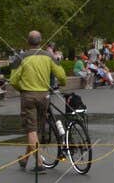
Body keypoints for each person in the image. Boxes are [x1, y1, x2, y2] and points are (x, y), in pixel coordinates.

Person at [8, 31, 70, 172]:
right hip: (44, 96)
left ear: (28, 42)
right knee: (36, 130)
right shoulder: (48, 56)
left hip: (28, 95)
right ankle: (25, 159)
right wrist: (62, 83)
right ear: (41, 41)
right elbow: (61, 75)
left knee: (31, 130)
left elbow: (13, 80)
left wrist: (21, 89)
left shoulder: (21, 57)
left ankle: (39, 163)